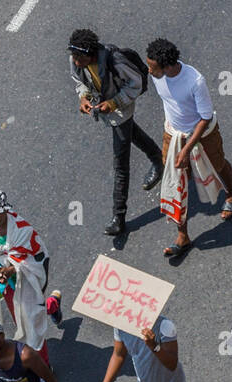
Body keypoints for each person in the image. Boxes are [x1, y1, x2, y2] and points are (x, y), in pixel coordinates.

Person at [146, 37, 232, 262]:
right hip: (172, 134)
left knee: (218, 164)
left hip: (202, 135)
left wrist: (187, 148)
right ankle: (183, 235)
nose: (149, 71)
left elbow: (205, 117)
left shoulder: (194, 81)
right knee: (177, 181)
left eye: (152, 67)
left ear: (166, 65)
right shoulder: (156, 74)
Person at [67, 28, 163, 239]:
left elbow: (136, 83)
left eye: (79, 58)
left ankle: (118, 218)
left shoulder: (115, 61)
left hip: (121, 109)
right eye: (74, 57)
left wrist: (114, 103)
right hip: (106, 108)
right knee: (133, 134)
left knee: (120, 164)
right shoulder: (76, 59)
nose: (75, 62)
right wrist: (83, 97)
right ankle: (159, 159)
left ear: (91, 55)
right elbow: (79, 81)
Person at [0, 190, 60, 354]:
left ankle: (43, 366)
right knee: (29, 316)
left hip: (22, 282)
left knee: (29, 322)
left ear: (6, 210)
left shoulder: (23, 230)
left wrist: (9, 270)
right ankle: (52, 304)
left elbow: (32, 259)